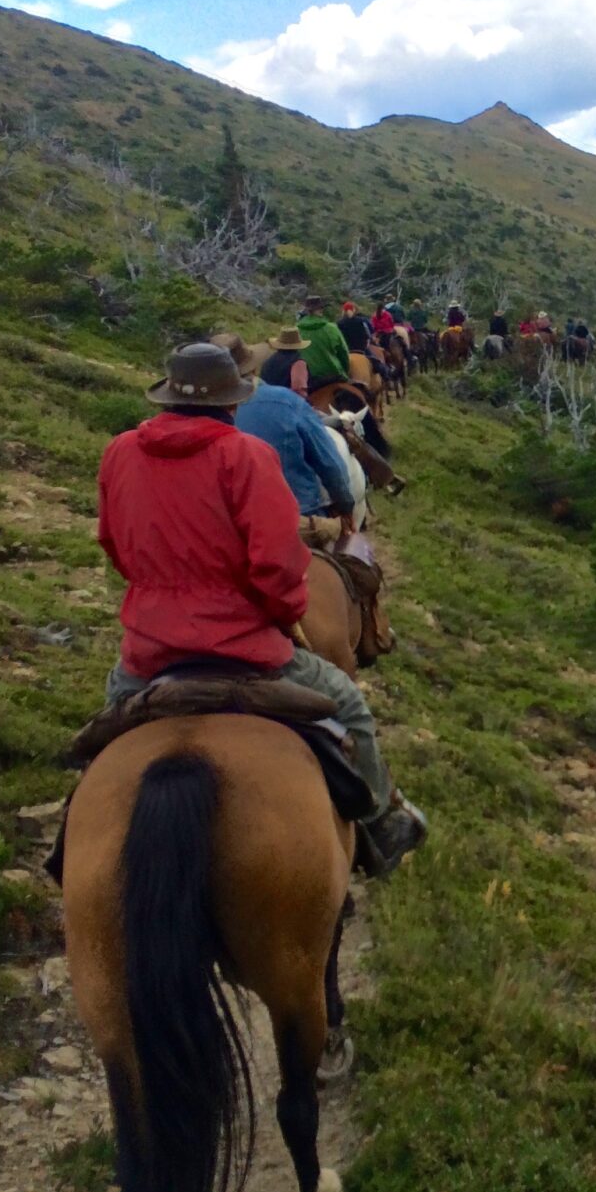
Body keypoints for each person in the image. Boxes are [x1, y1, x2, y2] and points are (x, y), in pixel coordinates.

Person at [96, 341, 424, 871]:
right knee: (349, 706)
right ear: (233, 403)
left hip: (149, 651)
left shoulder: (120, 452)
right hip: (244, 647)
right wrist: (283, 610)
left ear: (166, 399)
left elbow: (113, 544)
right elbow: (276, 565)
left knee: (103, 739)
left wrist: (160, 594)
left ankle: (75, 839)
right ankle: (382, 823)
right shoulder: (246, 457)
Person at [236, 344, 359, 531]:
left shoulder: (271, 363)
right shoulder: (298, 366)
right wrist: (345, 504)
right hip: (298, 511)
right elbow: (330, 463)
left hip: (229, 519)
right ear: (253, 368)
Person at [295, 297, 351, 391]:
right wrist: (345, 371)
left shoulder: (296, 330)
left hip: (307, 377)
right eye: (321, 308)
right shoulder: (331, 328)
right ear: (320, 310)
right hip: (332, 373)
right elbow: (343, 352)